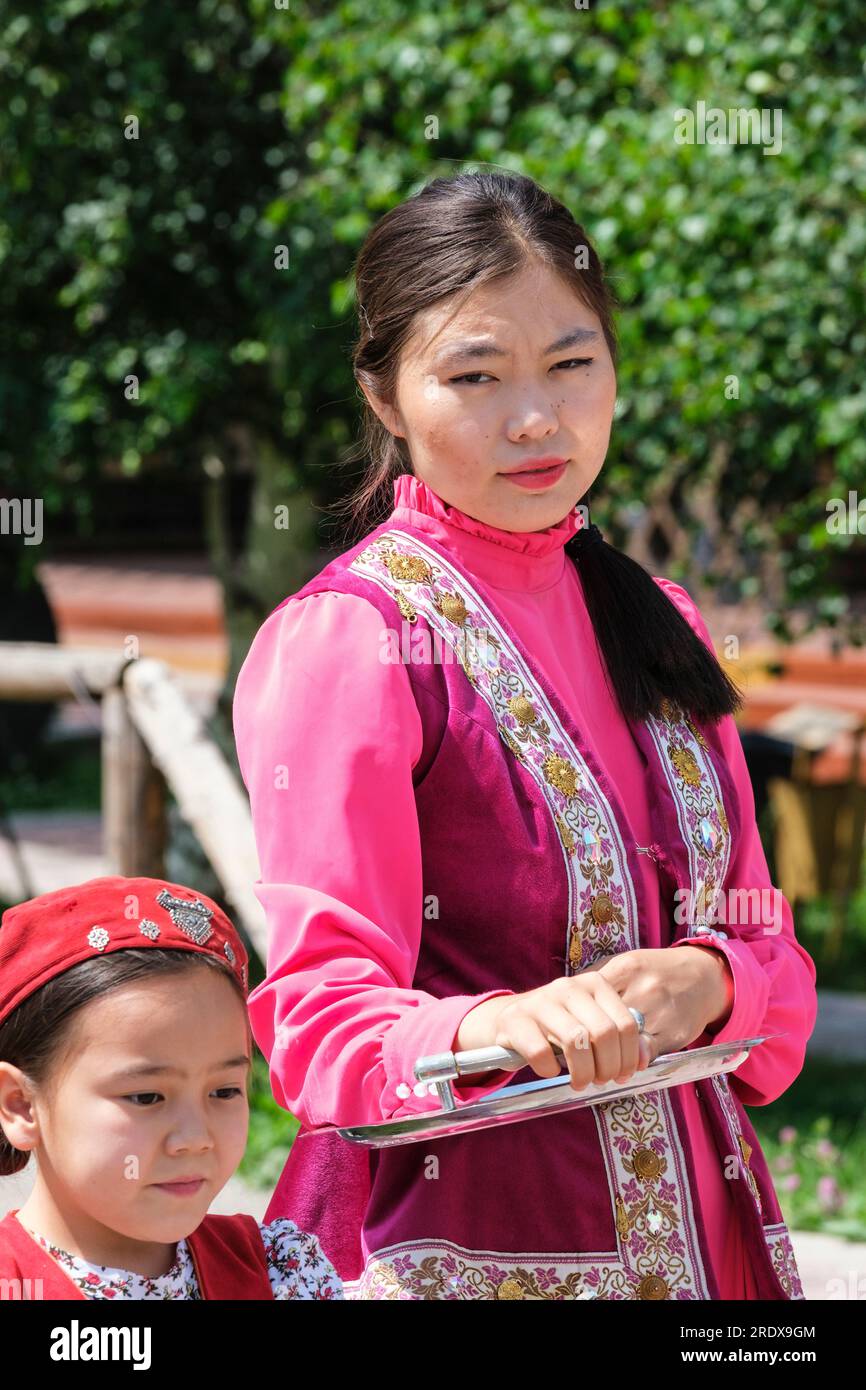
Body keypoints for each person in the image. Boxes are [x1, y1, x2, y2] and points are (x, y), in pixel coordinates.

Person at [232, 170, 818, 1301]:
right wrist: (502, 1021)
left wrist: (707, 982)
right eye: (474, 376)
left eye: (571, 363)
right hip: (459, 1252)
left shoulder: (658, 622)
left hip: (709, 1254)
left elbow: (770, 955)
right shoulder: (354, 639)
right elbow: (320, 1023)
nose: (536, 419)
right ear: (386, 396)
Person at [0, 875, 343, 1300]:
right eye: (147, 1097)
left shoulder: (281, 1272)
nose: (195, 1138)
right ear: (20, 1105)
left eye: (224, 1091)